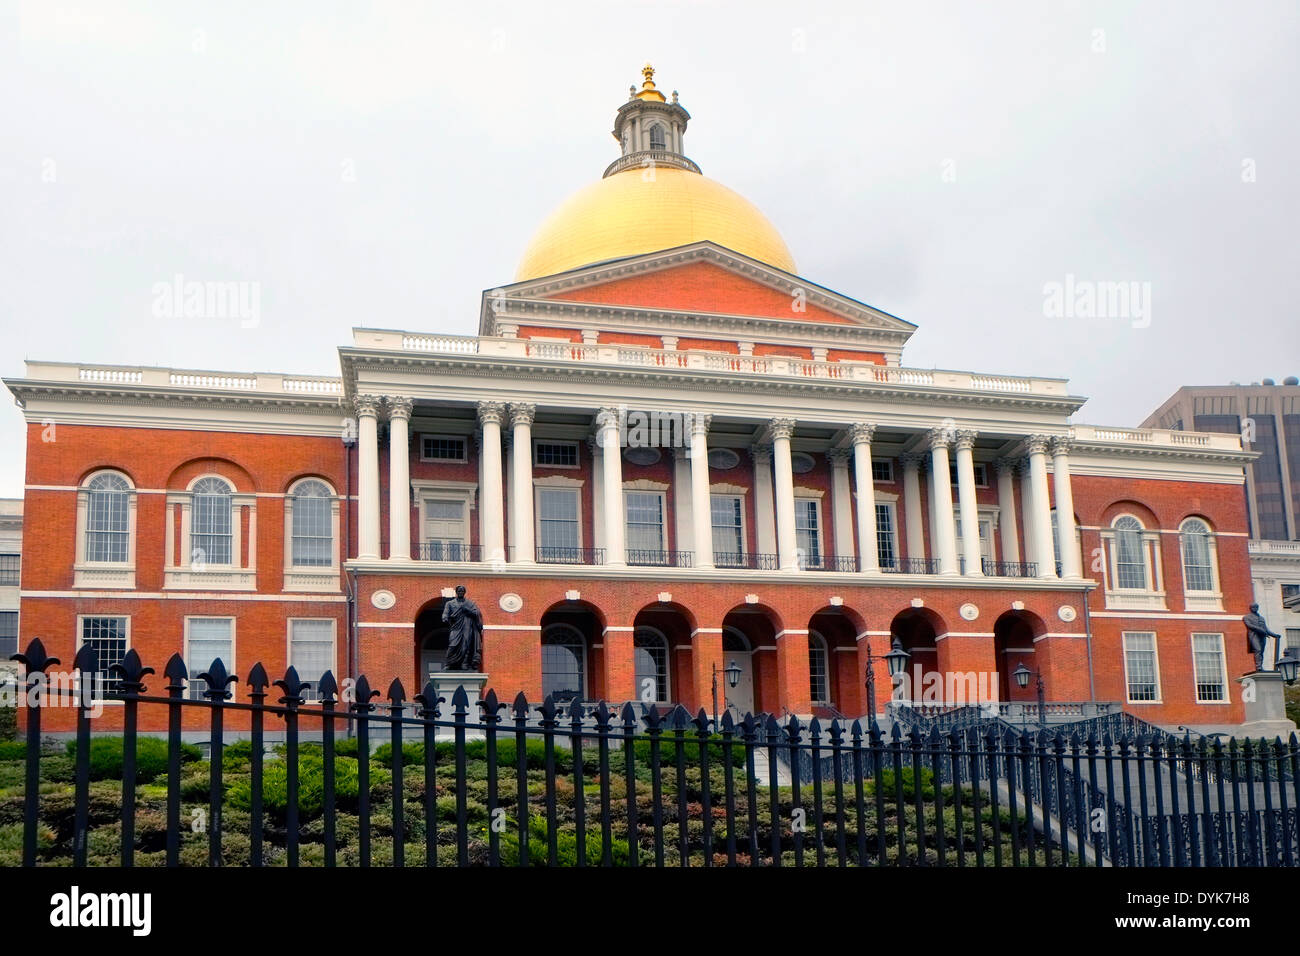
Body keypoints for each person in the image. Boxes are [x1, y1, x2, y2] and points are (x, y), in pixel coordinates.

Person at [442, 585, 483, 671]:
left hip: (467, 626)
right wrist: (445, 618)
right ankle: (448, 663)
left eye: (462, 591)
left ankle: (464, 663)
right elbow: (445, 613)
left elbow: (476, 613)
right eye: (459, 591)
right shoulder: (450, 603)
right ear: (456, 592)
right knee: (452, 645)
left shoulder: (470, 603)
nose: (460, 592)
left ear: (464, 592)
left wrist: (466, 609)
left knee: (466, 645)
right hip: (456, 626)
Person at [1243, 603, 1281, 672]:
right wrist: (1260, 629)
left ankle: (1261, 666)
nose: (1255, 608)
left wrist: (1274, 635)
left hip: (1262, 636)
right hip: (1254, 636)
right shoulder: (1246, 617)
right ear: (1250, 608)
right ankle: (1258, 667)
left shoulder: (1261, 618)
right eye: (1253, 607)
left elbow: (1266, 629)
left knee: (1261, 652)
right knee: (1258, 650)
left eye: (1256, 607)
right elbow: (1250, 626)